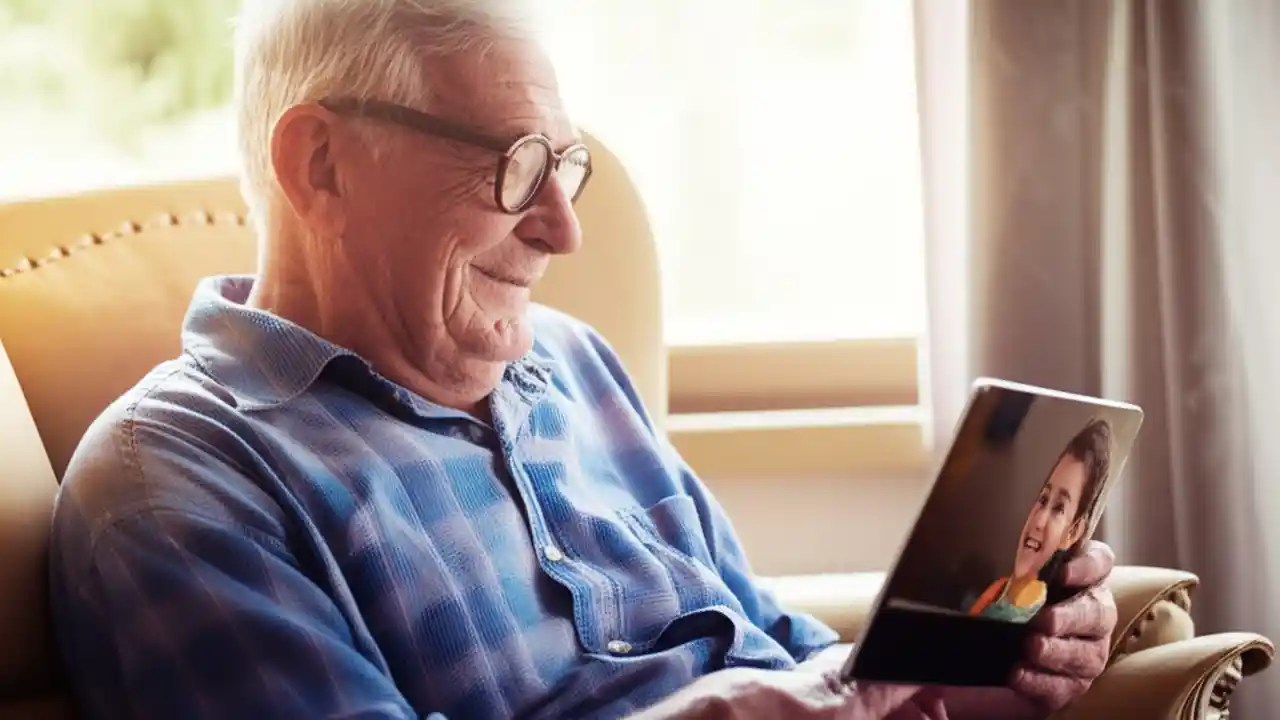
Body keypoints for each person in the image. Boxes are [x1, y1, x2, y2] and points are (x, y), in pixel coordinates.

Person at [47, 1, 1118, 718]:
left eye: (566, 165)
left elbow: (785, 654)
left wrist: (976, 673)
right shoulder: (175, 488)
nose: (563, 232)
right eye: (515, 167)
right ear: (319, 163)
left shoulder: (574, 366)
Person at [969, 420, 1112, 623]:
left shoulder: (1040, 613)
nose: (1039, 520)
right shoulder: (998, 588)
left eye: (1058, 509)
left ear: (1071, 533)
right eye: (1043, 499)